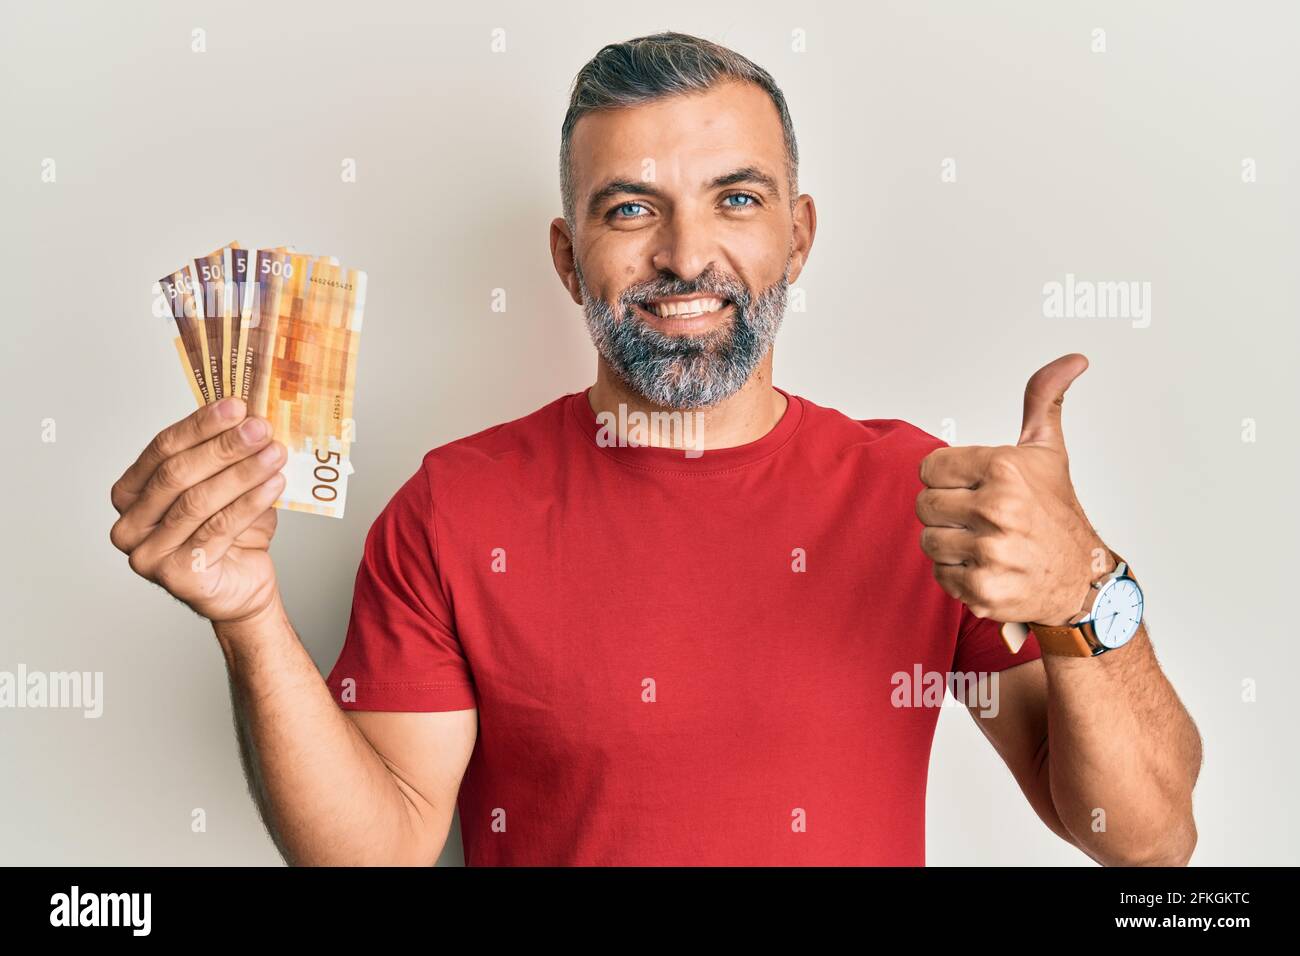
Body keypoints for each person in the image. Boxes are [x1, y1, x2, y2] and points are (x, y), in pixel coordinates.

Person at [110, 32, 1200, 866]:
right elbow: (380, 847)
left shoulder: (921, 495)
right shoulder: (453, 509)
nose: (687, 253)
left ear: (799, 236)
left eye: (735, 198)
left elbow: (1144, 839)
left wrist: (1084, 588)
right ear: (567, 257)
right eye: (631, 209)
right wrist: (250, 618)